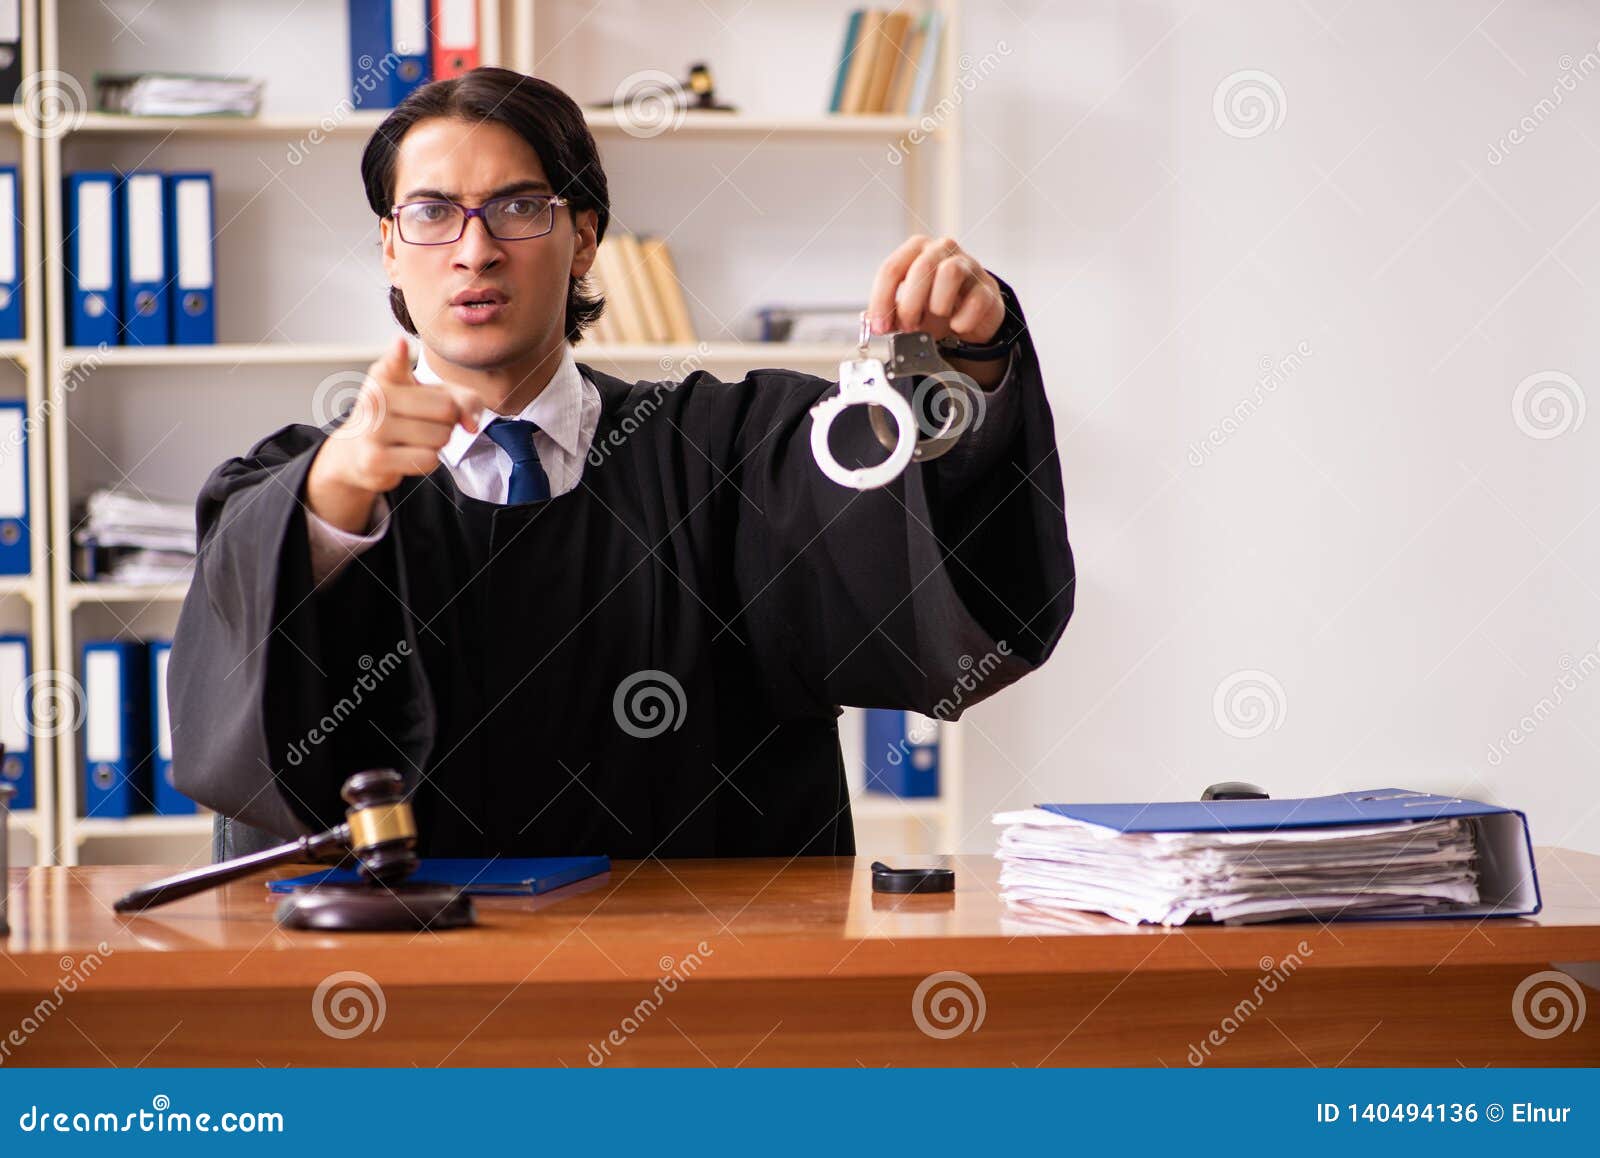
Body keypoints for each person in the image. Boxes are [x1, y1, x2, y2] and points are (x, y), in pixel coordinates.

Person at [169, 67, 1075, 860]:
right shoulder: (314, 486)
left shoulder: (730, 451)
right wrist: (335, 495)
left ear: (585, 239)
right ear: (391, 250)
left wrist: (970, 369)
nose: (475, 249)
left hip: (701, 976)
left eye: (519, 207)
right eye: (433, 213)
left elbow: (900, 529)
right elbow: (244, 702)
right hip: (413, 977)